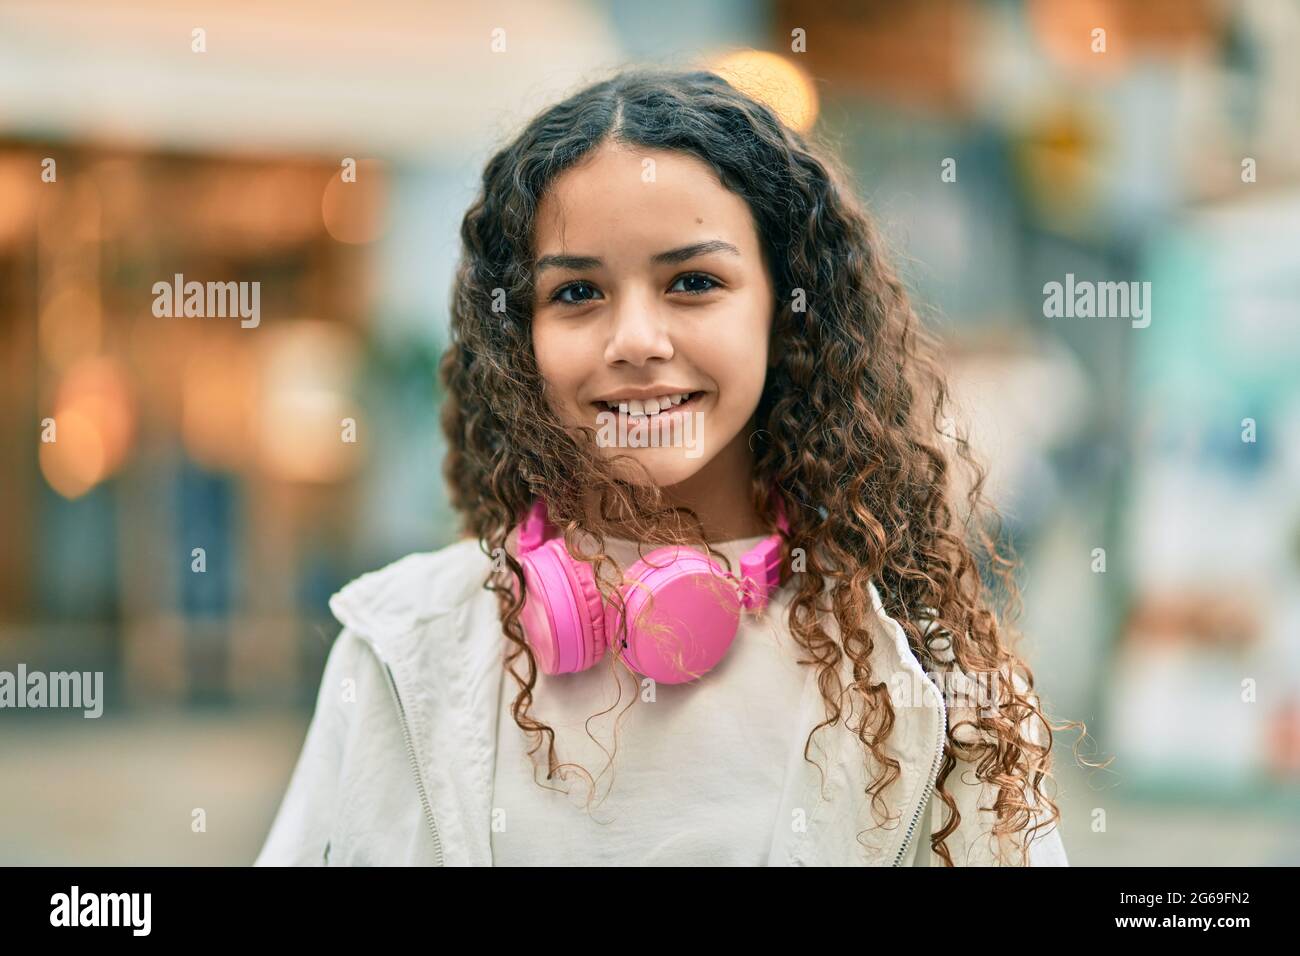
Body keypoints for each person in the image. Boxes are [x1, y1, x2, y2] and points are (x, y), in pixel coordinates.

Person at [255, 67, 1075, 867]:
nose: (637, 340)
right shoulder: (401, 648)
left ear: (786, 315)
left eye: (692, 282)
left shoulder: (937, 687)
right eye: (577, 293)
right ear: (521, 339)